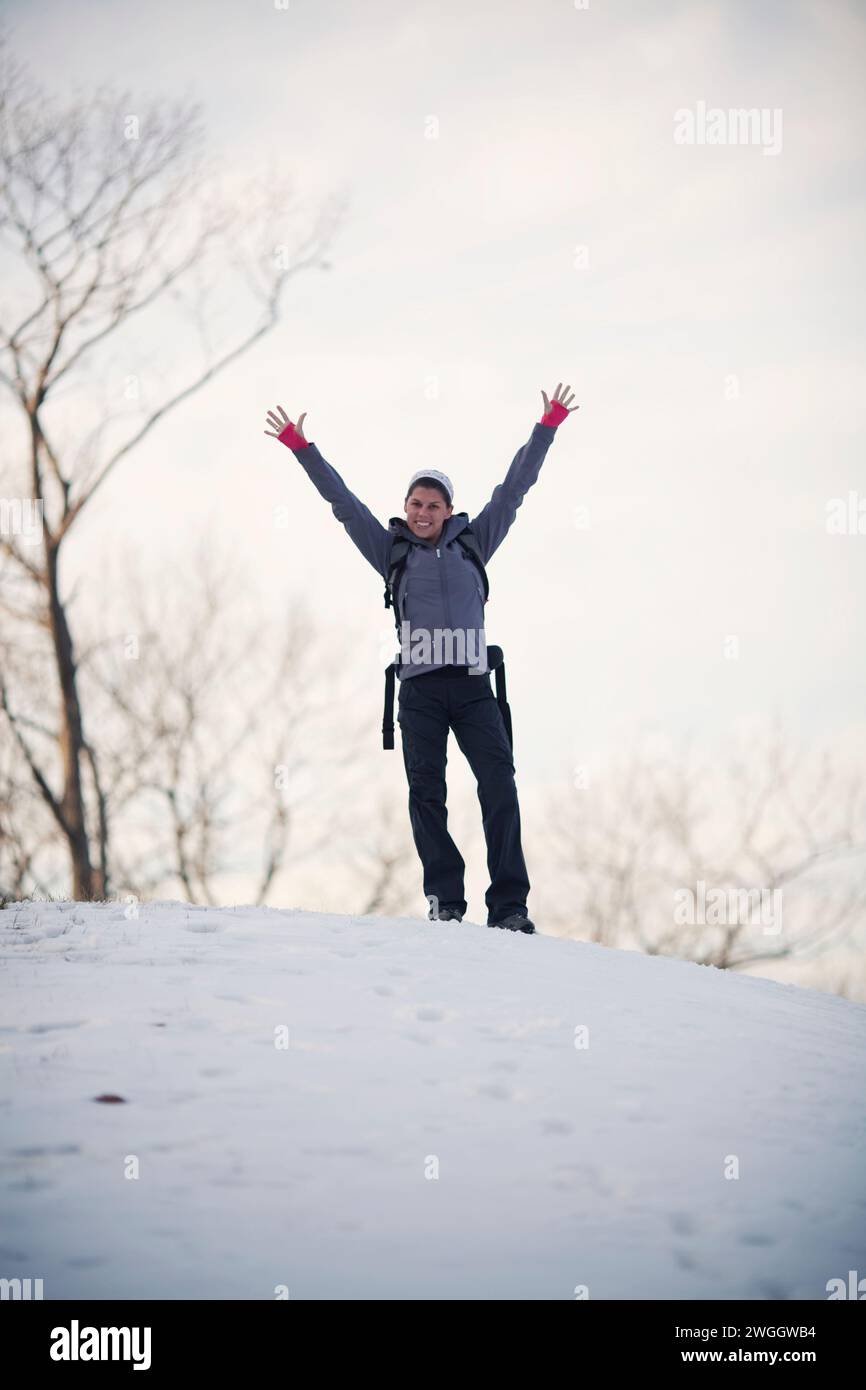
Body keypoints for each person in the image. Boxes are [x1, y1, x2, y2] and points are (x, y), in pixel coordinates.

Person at [264, 384, 578, 932]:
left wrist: (546, 426)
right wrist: (301, 447)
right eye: (415, 504)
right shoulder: (391, 550)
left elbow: (515, 488)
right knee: (426, 794)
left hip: (476, 688)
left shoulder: (475, 541)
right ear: (406, 509)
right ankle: (446, 901)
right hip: (421, 693)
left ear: (449, 511)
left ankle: (509, 907)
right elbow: (344, 504)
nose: (423, 512)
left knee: (499, 788)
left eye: (433, 505)